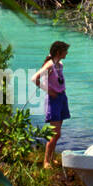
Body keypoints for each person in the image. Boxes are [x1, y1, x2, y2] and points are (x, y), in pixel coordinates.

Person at [33, 41, 70, 169]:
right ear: (59, 52)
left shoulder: (60, 64)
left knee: (58, 133)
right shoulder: (49, 65)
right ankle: (46, 161)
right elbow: (34, 79)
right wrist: (49, 91)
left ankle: (52, 157)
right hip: (53, 100)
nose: (67, 53)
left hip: (62, 98)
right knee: (54, 133)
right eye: (65, 50)